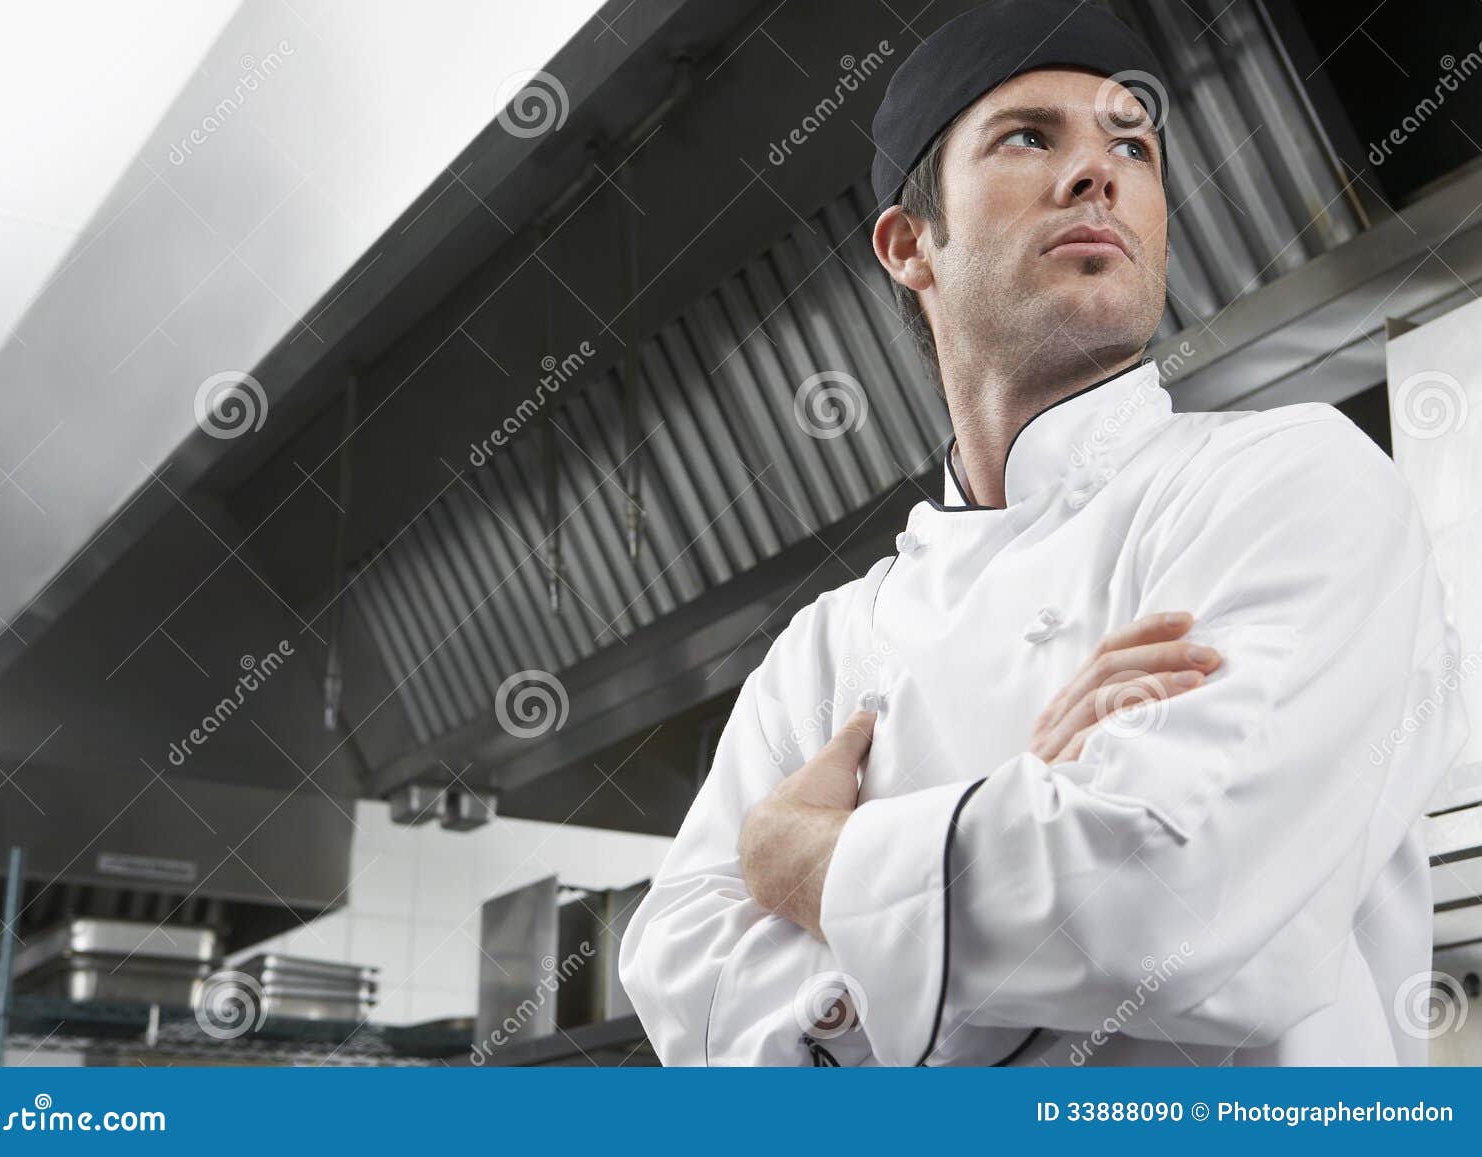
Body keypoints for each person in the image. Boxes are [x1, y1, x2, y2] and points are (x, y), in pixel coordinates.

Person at [617, 0, 1469, 1066]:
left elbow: (1176, 905)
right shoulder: (822, 650)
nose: (1095, 173)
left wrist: (806, 862)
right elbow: (681, 989)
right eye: (1029, 136)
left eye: (1131, 145)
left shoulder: (1287, 483)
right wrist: (1018, 828)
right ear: (908, 243)